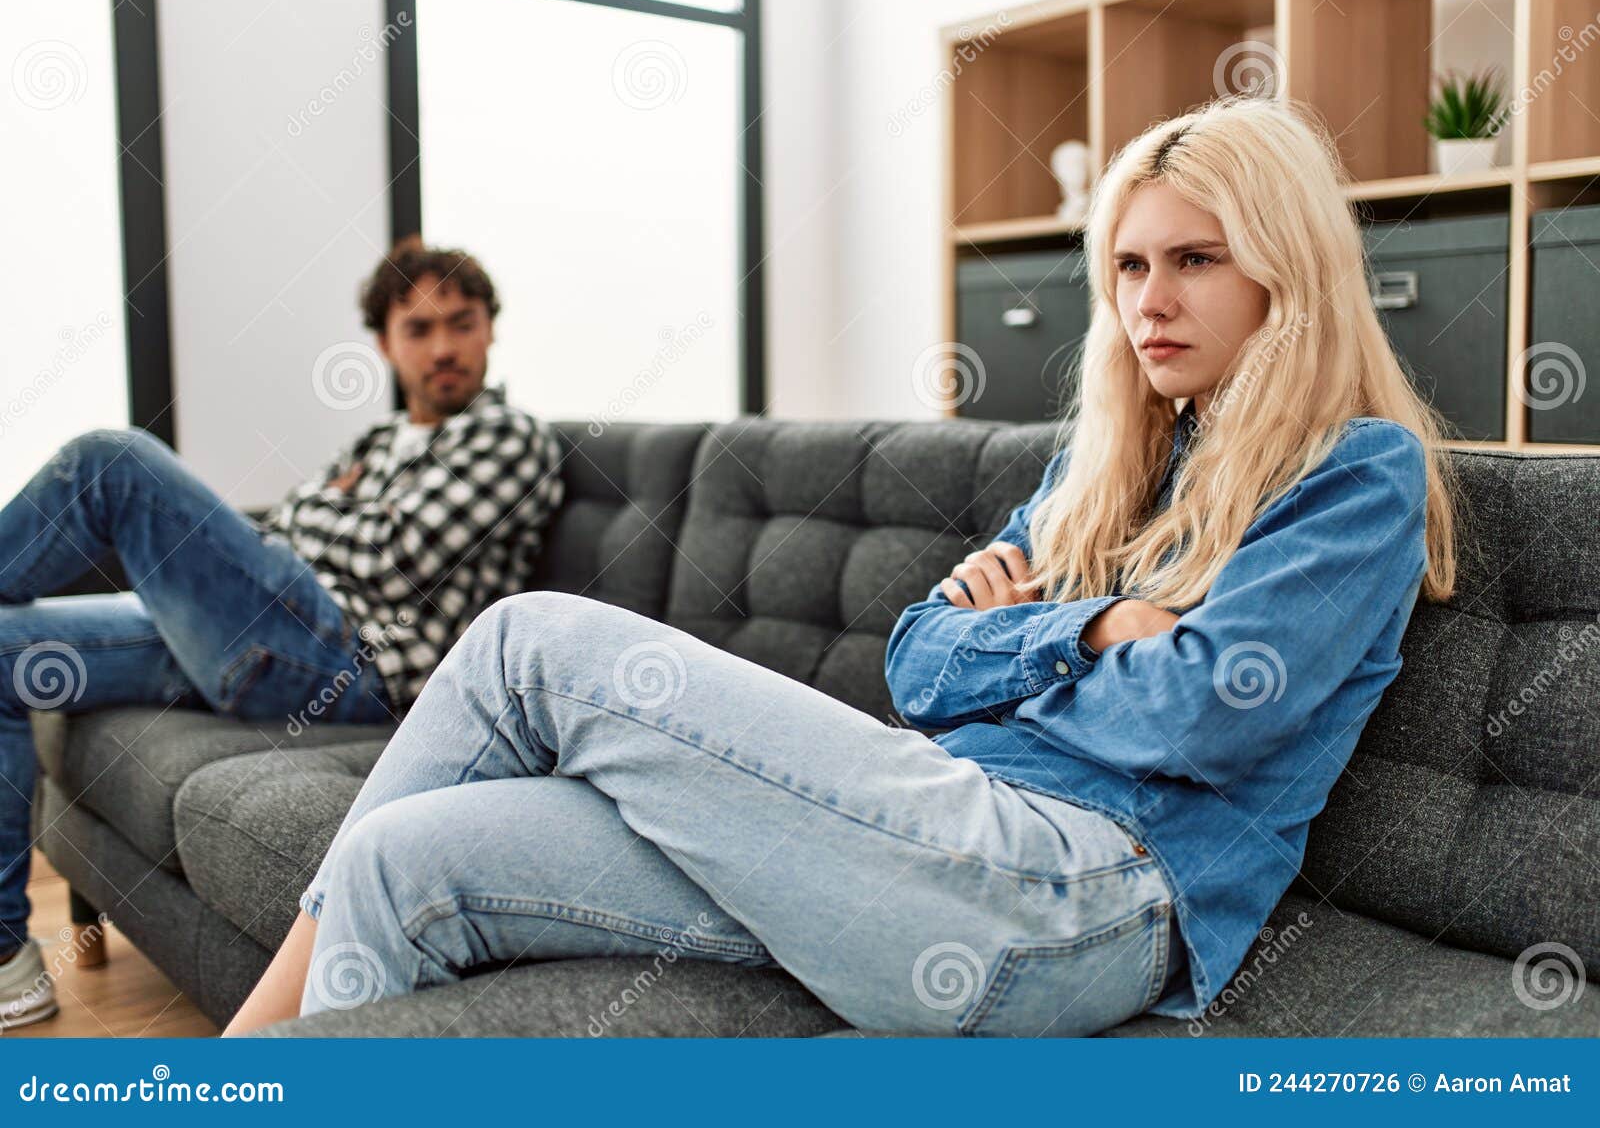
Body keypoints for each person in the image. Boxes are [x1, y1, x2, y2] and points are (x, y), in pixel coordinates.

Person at [223, 97, 1459, 1038]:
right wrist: (1089, 629)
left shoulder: (1356, 472)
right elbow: (920, 662)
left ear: (1285, 269)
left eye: (1195, 259)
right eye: (1129, 267)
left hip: (1082, 896)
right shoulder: (1108, 462)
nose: (1149, 301)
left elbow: (1203, 705)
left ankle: (230, 1061)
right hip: (939, 833)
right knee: (408, 857)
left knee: (527, 641)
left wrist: (1046, 633)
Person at [0, 240, 564, 1029]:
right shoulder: (373, 447)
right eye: (419, 327)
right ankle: (8, 961)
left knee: (110, 462)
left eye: (461, 323)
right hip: (280, 628)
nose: (442, 347)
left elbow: (392, 555)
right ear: (385, 344)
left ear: (490, 330)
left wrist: (319, 523)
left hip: (349, 663)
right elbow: (300, 529)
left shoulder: (511, 439)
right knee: (8, 650)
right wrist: (324, 524)